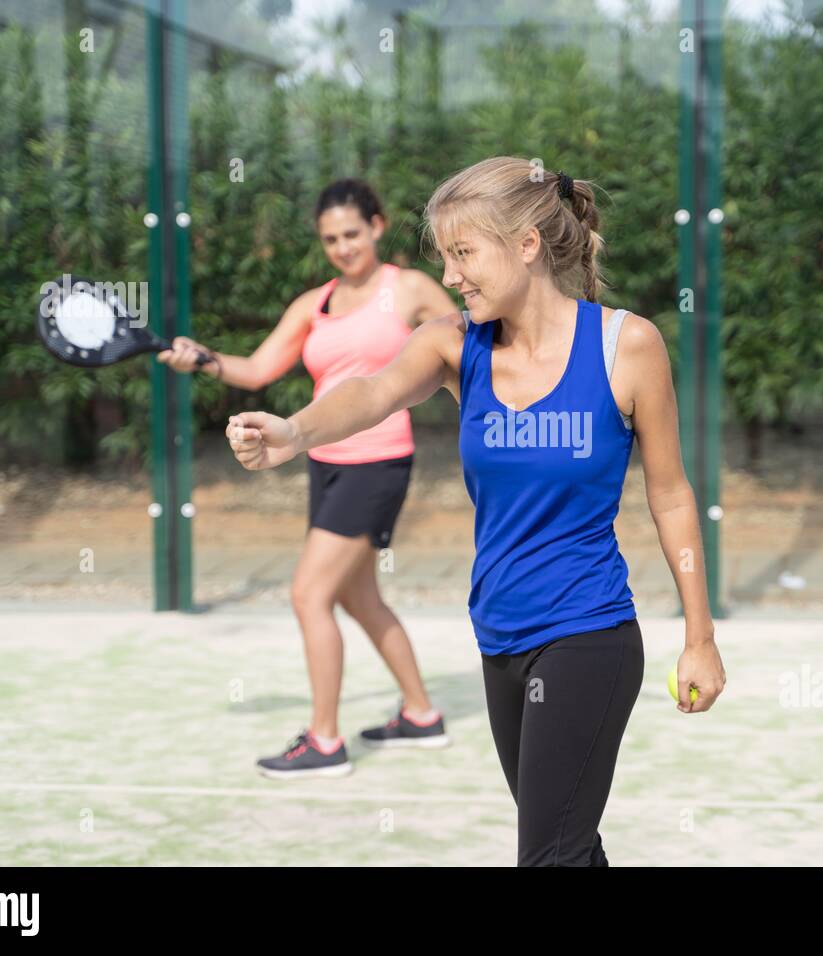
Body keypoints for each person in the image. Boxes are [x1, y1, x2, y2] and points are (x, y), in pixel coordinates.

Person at [224, 157, 727, 864]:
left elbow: (671, 493)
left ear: (526, 244)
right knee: (569, 847)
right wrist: (295, 431)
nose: (453, 276)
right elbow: (370, 393)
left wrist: (699, 635)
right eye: (447, 257)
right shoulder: (455, 347)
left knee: (547, 854)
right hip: (497, 639)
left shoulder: (627, 346)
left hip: (588, 635)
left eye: (465, 254)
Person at [158, 178, 460, 778]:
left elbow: (469, 341)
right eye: (330, 240)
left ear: (376, 227)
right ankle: (422, 715)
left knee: (308, 594)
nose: (343, 248)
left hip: (378, 463)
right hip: (324, 461)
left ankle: (325, 742)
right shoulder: (313, 305)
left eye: (352, 234)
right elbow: (259, 369)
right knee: (357, 595)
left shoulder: (411, 289)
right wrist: (206, 359)